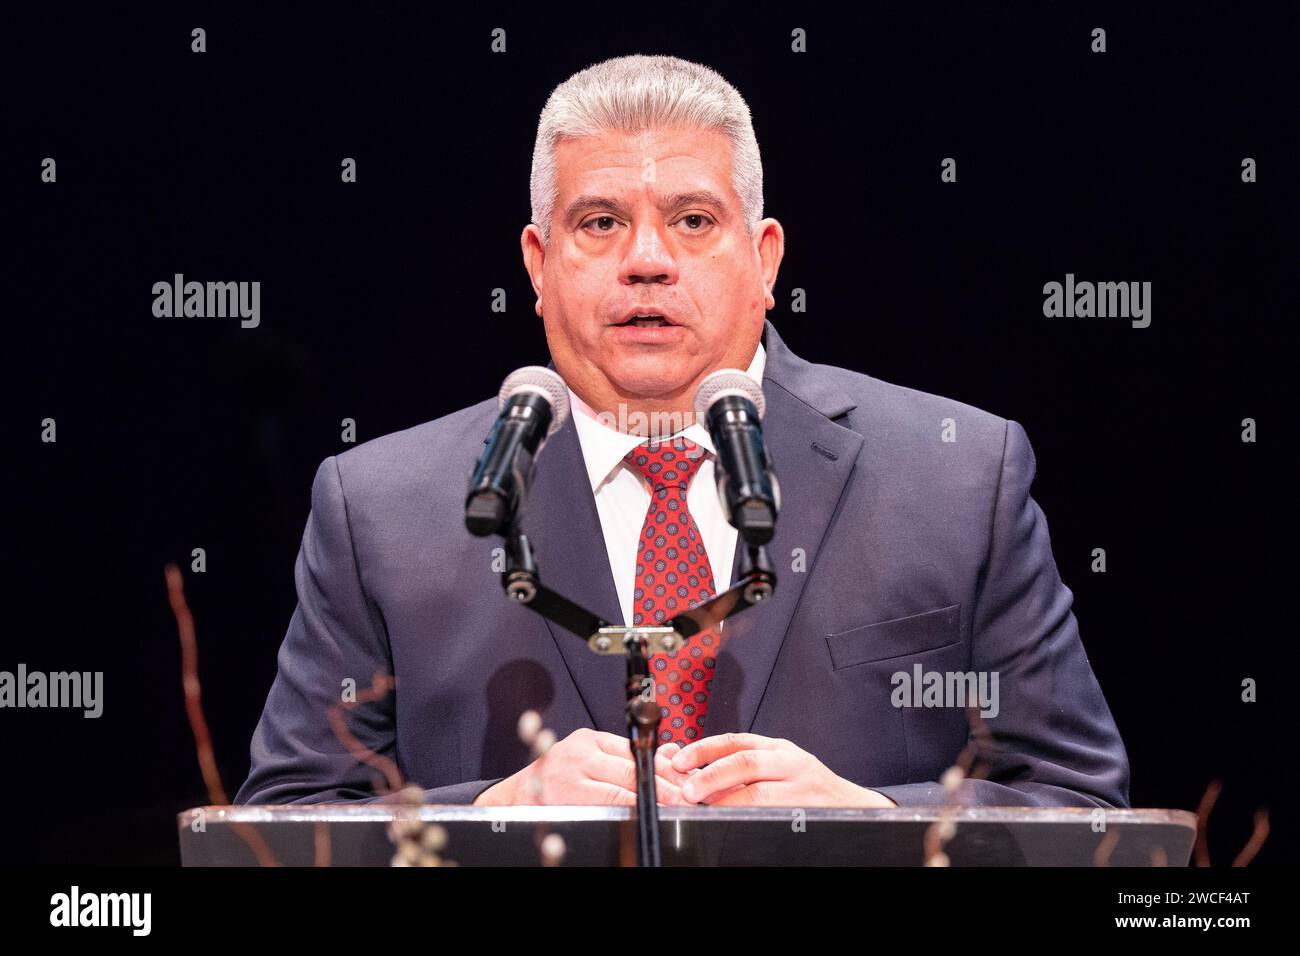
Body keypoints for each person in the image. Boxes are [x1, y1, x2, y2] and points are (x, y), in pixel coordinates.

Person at [236, 54, 1129, 809]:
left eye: (693, 221)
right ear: (537, 267)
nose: (648, 260)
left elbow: (1083, 808)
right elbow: (275, 833)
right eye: (601, 223)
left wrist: (874, 823)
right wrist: (485, 816)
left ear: (765, 258)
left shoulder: (956, 478)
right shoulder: (383, 510)